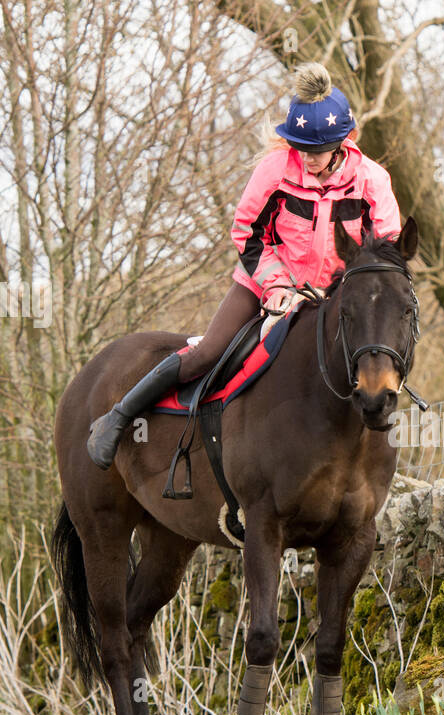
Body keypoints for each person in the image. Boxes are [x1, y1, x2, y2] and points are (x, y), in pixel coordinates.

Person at [86, 62, 403, 469]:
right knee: (207, 352)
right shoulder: (274, 170)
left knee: (373, 355)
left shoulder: (372, 181)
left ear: (342, 143)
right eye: (299, 148)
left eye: (315, 151)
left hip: (338, 296)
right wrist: (277, 287)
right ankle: (119, 416)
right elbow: (247, 235)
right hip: (264, 284)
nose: (306, 158)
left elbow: (386, 252)